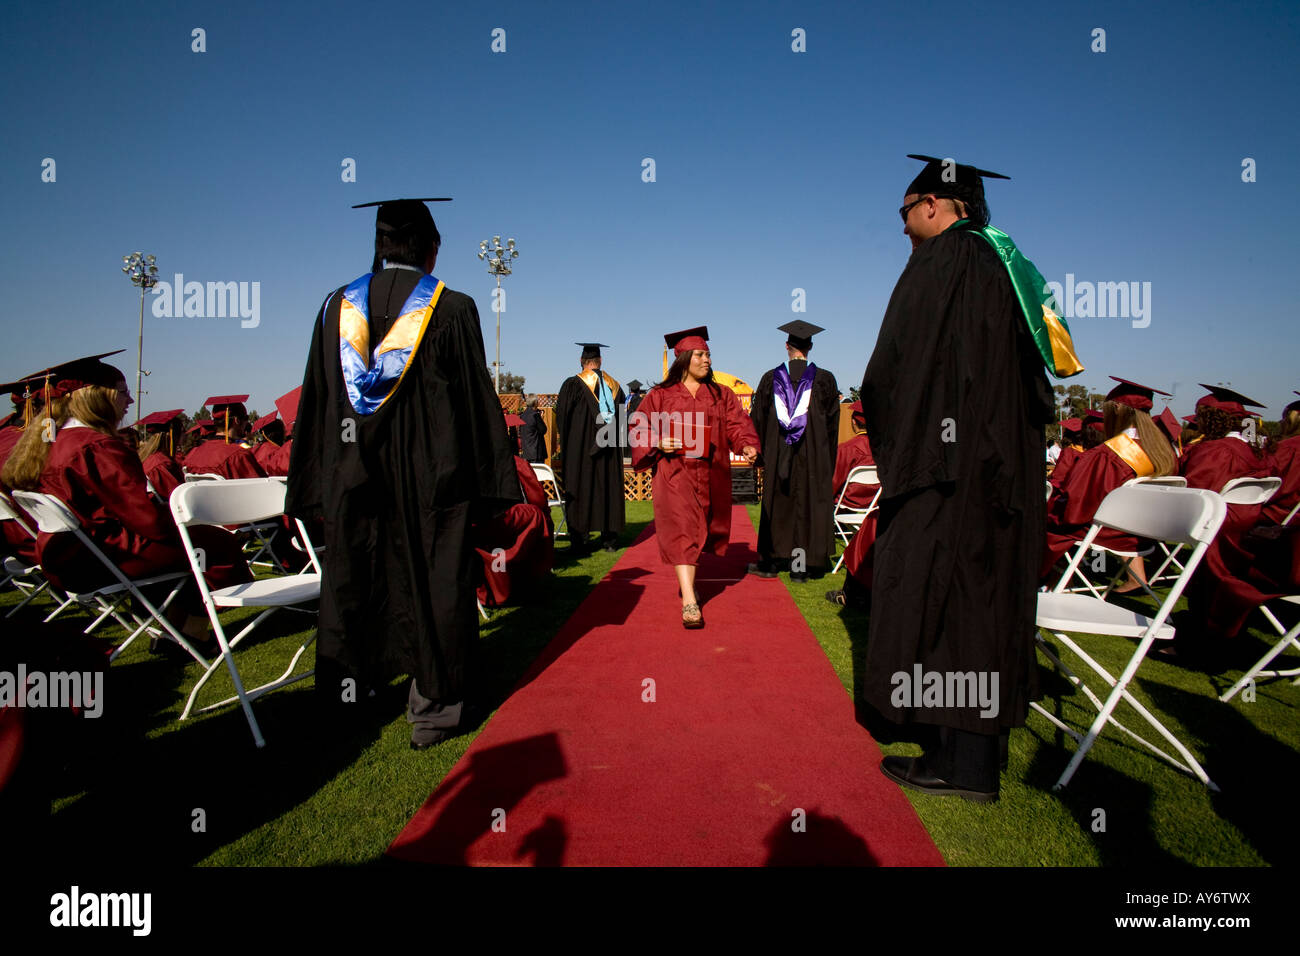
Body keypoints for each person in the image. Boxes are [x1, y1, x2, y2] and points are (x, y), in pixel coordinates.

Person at [858, 154, 1070, 803]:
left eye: (903, 212)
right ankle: (971, 748)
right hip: (999, 468)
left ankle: (963, 767)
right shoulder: (1003, 266)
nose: (900, 228)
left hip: (948, 470)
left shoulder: (946, 260)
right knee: (984, 598)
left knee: (948, 600)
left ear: (933, 205)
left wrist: (903, 453)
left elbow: (894, 370)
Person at [286, 197, 519, 750]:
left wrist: (317, 481)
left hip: (353, 476)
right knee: (435, 583)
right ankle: (433, 709)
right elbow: (472, 399)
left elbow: (317, 401)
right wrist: (487, 483)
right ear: (431, 250)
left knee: (354, 581)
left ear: (379, 245)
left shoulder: (333, 308)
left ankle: (351, 698)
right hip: (431, 481)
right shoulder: (453, 307)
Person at [2, 354, 251, 653]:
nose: (130, 400)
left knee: (190, 546)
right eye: (123, 392)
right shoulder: (96, 445)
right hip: (105, 558)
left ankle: (175, 626)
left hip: (65, 556)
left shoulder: (50, 441)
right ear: (97, 396)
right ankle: (194, 631)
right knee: (209, 543)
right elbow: (147, 520)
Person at [628, 326, 759, 628]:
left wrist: (747, 444)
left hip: (710, 473)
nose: (706, 360)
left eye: (708, 355)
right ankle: (689, 600)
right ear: (684, 358)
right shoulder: (660, 395)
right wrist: (658, 442)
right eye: (700, 355)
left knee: (699, 533)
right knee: (682, 530)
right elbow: (640, 426)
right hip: (674, 473)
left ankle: (690, 585)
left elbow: (738, 424)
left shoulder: (721, 394)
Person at [1042, 378, 1178, 585]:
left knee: (1042, 523)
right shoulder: (1161, 451)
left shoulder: (1109, 454)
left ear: (1116, 408)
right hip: (1147, 529)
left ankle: (1054, 582)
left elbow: (1077, 508)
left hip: (1109, 531)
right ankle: (1134, 579)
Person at [748, 320, 840, 582]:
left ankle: (773, 562)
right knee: (809, 503)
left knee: (780, 503)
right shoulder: (825, 379)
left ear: (786, 346)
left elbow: (758, 420)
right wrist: (826, 458)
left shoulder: (770, 378)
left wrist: (763, 454)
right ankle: (804, 566)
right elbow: (833, 424)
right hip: (814, 456)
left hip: (780, 454)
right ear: (810, 346)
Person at [554, 343, 626, 554]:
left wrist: (567, 442)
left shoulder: (572, 384)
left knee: (580, 487)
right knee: (608, 489)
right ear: (600, 361)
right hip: (609, 449)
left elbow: (562, 418)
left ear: (581, 361)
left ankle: (580, 538)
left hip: (580, 450)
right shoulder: (616, 387)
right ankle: (610, 540)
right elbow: (621, 421)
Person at [473, 456, 554, 608]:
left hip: (464, 529)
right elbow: (538, 499)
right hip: (493, 523)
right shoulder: (514, 462)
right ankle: (529, 583)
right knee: (536, 516)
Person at [825, 401, 878, 609]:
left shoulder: (847, 449)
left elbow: (833, 482)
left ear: (855, 423)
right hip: (875, 507)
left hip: (849, 506)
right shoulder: (883, 449)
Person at [183, 395, 266, 479]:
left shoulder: (192, 454)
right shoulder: (238, 456)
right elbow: (262, 485)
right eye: (246, 418)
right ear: (237, 420)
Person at [135, 408, 187, 504]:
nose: (185, 435)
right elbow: (178, 497)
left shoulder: (147, 457)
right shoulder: (162, 464)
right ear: (172, 435)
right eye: (182, 431)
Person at [518, 395, 548, 463]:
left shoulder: (522, 416)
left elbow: (520, 432)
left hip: (526, 452)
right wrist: (541, 419)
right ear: (535, 403)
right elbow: (543, 430)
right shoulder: (535, 415)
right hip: (536, 452)